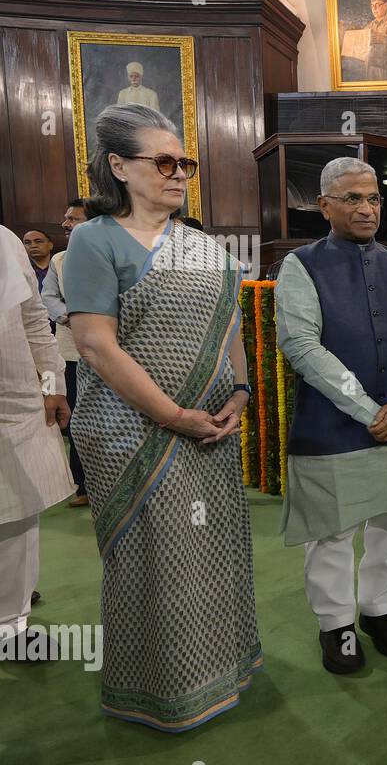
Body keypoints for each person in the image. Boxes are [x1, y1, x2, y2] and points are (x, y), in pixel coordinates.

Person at [62, 103, 260, 731]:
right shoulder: (93, 239)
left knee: (212, 549)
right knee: (155, 556)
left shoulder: (203, 247)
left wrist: (242, 390)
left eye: (186, 163)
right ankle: (156, 691)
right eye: (165, 161)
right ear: (119, 166)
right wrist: (175, 415)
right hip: (133, 434)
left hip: (210, 428)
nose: (180, 174)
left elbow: (230, 324)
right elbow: (96, 344)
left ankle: (220, 671)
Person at [276, 157, 387, 674]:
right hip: (333, 426)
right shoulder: (301, 265)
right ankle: (336, 625)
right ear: (324, 206)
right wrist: (371, 411)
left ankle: (379, 610)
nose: (367, 208)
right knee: (333, 532)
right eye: (353, 199)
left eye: (373, 199)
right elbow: (301, 347)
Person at [0, 224, 73, 662]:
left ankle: (11, 621)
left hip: (14, 400)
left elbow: (33, 320)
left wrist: (53, 384)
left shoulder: (4, 241)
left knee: (17, 513)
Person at [42, 200, 91, 507]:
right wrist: (71, 317)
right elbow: (47, 296)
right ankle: (82, 485)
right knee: (75, 418)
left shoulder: (111, 255)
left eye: (73, 218)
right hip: (71, 351)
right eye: (65, 218)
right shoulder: (59, 259)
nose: (65, 224)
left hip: (108, 352)